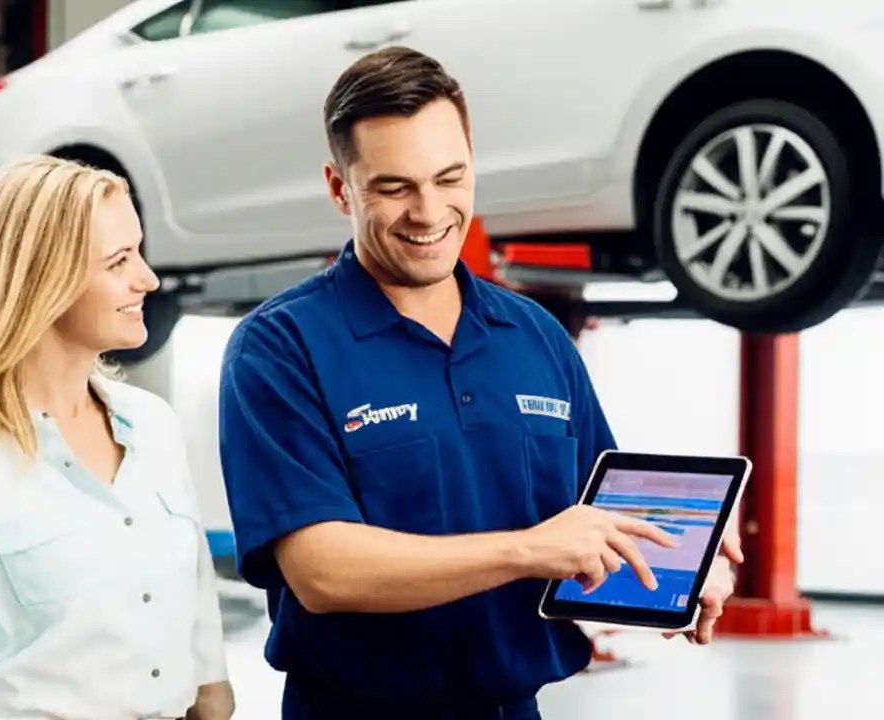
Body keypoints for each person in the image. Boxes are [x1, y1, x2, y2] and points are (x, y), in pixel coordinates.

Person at [216, 47, 743, 719]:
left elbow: (591, 521)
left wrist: (686, 565)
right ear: (339, 187)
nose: (429, 211)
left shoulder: (533, 335)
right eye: (394, 187)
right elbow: (323, 571)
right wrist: (527, 551)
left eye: (450, 177)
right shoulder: (280, 348)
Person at [0, 155, 234, 720]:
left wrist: (212, 690)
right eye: (118, 261)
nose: (149, 279)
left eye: (139, 252)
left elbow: (198, 613)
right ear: (43, 280)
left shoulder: (154, 425)